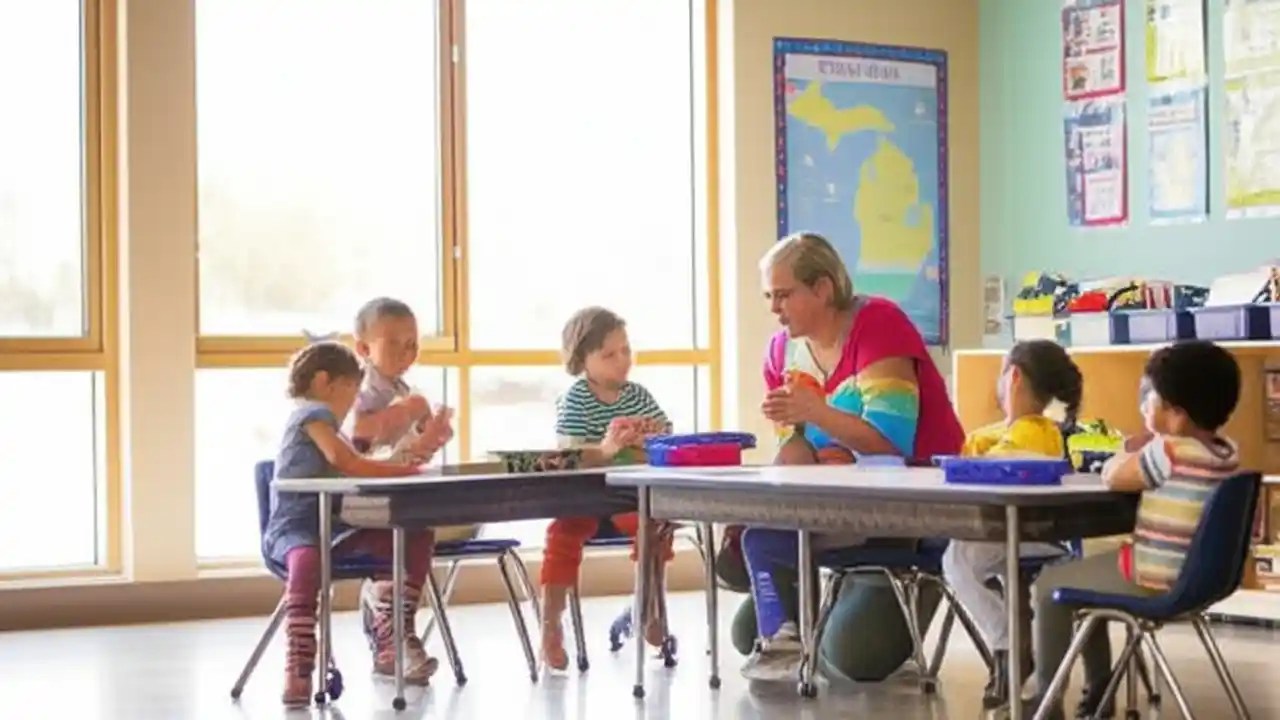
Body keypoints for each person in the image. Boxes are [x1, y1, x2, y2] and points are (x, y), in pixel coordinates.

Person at [737, 232, 965, 681]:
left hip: (912, 507)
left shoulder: (878, 323)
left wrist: (817, 413)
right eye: (769, 296)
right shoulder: (782, 351)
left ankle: (822, 620)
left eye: (783, 295)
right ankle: (789, 635)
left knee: (851, 657)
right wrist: (794, 447)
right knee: (751, 616)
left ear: (822, 288)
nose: (774, 309)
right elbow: (798, 447)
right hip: (838, 500)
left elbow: (891, 444)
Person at [1029, 341, 1242, 720]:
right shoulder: (1225, 454)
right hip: (1201, 580)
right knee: (1084, 583)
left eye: (1151, 398)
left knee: (1049, 584)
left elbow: (1114, 476)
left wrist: (1129, 451)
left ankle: (1047, 701)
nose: (1145, 406)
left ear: (1176, 414)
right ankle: (1099, 692)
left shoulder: (1171, 452)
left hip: (1152, 576)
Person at [263, 341, 443, 707]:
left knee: (413, 533)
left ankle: (392, 626)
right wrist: (404, 472)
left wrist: (402, 459)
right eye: (351, 390)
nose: (353, 402)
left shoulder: (329, 424)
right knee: (307, 560)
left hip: (333, 529)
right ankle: (299, 663)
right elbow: (347, 463)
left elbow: (352, 464)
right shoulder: (313, 415)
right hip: (294, 530)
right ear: (325, 381)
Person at [940, 340, 1081, 709]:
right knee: (967, 556)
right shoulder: (1022, 430)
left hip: (1032, 533)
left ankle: (1008, 645)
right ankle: (1012, 642)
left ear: (1013, 377)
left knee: (957, 560)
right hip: (1020, 534)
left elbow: (995, 474)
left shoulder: (1032, 432)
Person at [538, 307, 675, 671]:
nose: (623, 361)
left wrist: (651, 441)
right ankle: (551, 624)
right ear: (583, 360)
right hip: (584, 500)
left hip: (628, 500)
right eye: (610, 354)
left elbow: (666, 438)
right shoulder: (577, 398)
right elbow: (568, 455)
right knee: (561, 536)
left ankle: (649, 607)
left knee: (656, 528)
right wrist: (606, 449)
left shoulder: (639, 396)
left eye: (626, 350)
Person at [344, 297, 471, 542]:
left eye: (412, 344)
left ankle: (400, 580)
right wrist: (411, 410)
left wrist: (433, 434)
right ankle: (394, 579)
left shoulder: (402, 389)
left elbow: (408, 449)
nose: (406, 353)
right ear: (364, 349)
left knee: (463, 510)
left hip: (397, 485)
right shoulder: (358, 387)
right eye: (393, 344)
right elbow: (360, 436)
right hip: (360, 493)